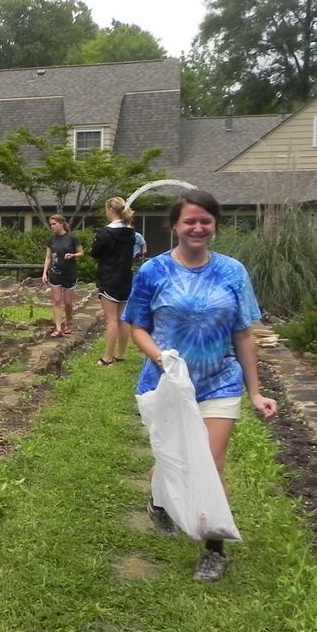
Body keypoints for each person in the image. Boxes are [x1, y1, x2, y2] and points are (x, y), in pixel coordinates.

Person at [124, 189, 278, 582]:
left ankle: (214, 547)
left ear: (215, 226)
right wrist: (161, 358)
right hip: (167, 384)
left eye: (205, 221)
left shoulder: (232, 271)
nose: (197, 227)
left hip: (219, 381)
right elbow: (136, 325)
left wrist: (255, 391)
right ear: (175, 225)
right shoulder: (153, 271)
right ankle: (161, 502)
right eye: (189, 221)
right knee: (173, 454)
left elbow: (243, 334)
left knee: (209, 463)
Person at [91, 197, 138, 365]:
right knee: (122, 318)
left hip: (109, 278)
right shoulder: (130, 232)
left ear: (110, 210)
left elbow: (95, 253)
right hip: (125, 278)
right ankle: (121, 354)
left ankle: (107, 357)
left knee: (111, 319)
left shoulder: (105, 233)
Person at [41, 215, 83, 337]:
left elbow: (81, 252)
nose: (52, 226)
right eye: (51, 224)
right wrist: (44, 273)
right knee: (57, 301)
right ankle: (58, 328)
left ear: (61, 224)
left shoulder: (72, 238)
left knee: (68, 302)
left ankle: (68, 323)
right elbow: (48, 257)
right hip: (55, 273)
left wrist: (73, 255)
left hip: (69, 273)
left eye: (54, 224)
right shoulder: (51, 240)